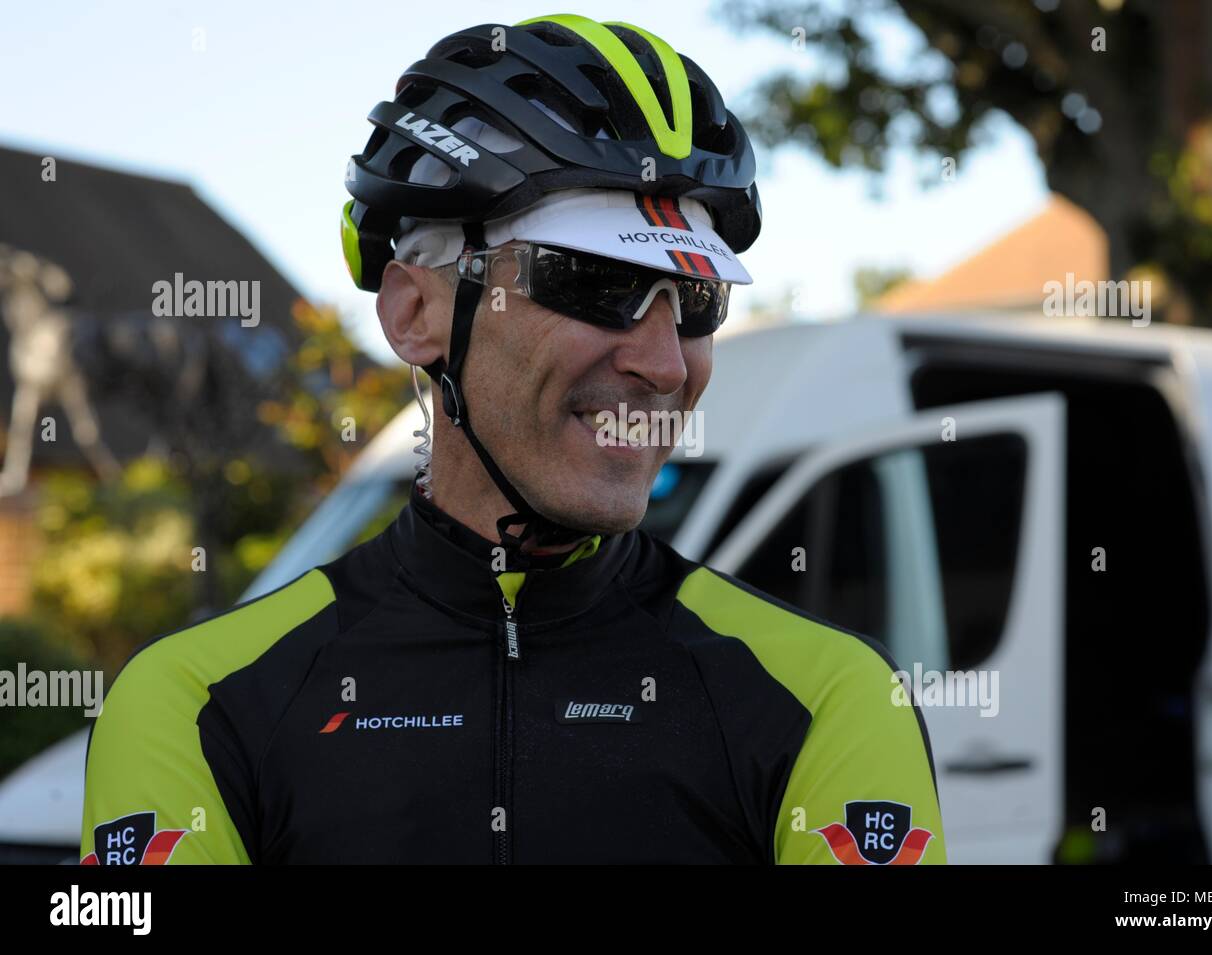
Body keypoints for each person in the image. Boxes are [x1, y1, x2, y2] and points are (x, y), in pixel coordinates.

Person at [80, 13, 946, 865]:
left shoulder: (828, 695)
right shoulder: (195, 702)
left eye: (696, 302)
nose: (663, 364)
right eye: (593, 280)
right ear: (416, 312)